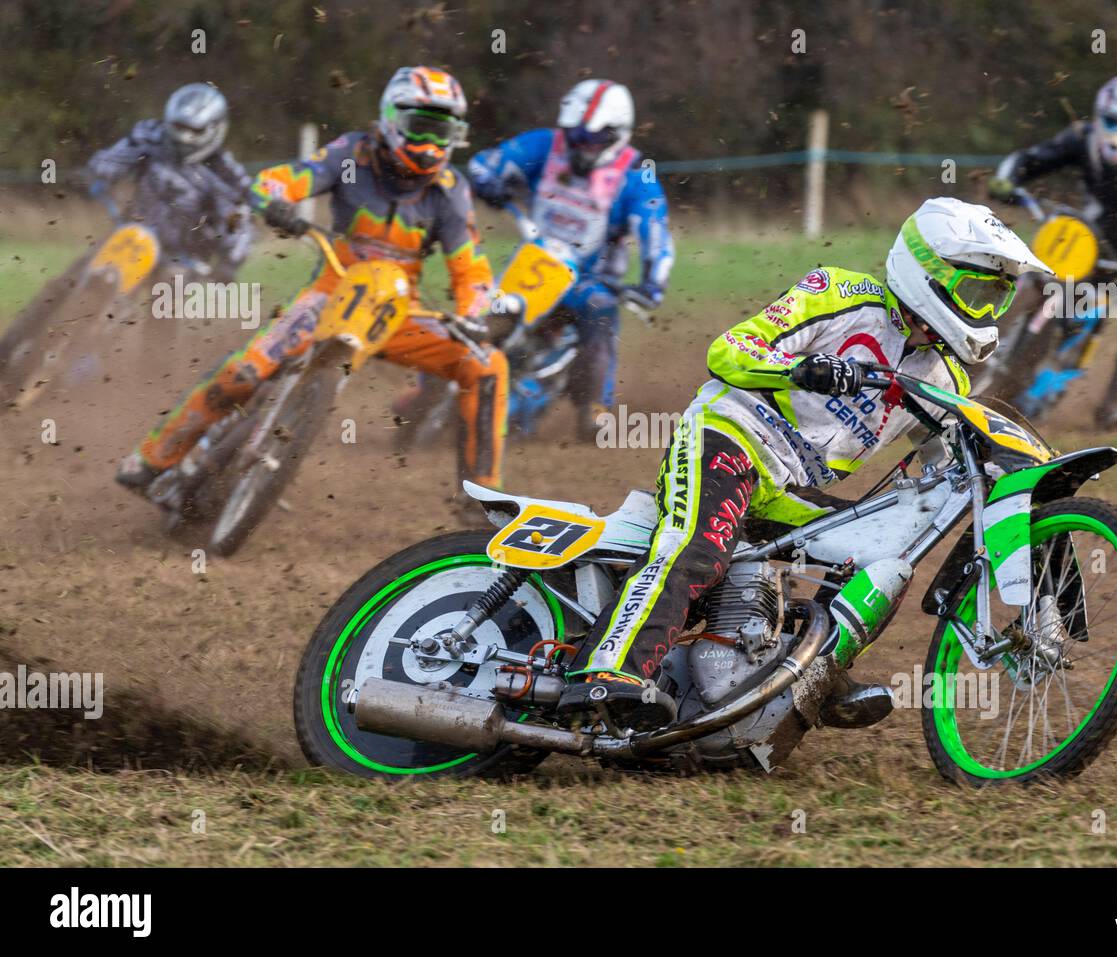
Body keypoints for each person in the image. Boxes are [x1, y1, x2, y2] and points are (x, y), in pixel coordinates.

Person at [556, 197, 1051, 727]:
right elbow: (729, 350)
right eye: (976, 293)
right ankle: (606, 669)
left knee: (883, 557)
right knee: (699, 548)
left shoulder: (946, 380)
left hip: (789, 485)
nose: (985, 311)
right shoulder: (843, 293)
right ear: (927, 271)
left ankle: (816, 673)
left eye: (995, 299)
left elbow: (942, 464)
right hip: (730, 438)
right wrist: (801, 369)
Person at [116, 66, 508, 511]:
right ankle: (153, 456)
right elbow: (283, 178)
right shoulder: (352, 153)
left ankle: (482, 500)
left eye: (445, 132)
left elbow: (471, 270)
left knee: (487, 364)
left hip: (396, 314)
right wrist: (275, 202)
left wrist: (474, 315)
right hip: (329, 294)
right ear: (393, 118)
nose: (433, 143)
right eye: (422, 127)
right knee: (244, 372)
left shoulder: (451, 191)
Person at [987, 74, 1117, 428]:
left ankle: (1116, 404)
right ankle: (978, 350)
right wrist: (1007, 181)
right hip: (1076, 245)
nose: (1116, 135)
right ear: (1098, 117)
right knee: (1026, 280)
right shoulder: (1082, 139)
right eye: (1110, 123)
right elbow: (1029, 160)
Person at [467, 79, 674, 437]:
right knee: (485, 311)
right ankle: (444, 378)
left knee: (600, 307)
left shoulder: (637, 178)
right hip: (535, 262)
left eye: (591, 139)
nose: (580, 147)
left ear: (617, 135)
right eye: (575, 136)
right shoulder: (545, 145)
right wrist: (487, 183)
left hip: (591, 281)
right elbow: (483, 164)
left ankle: (595, 406)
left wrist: (653, 282)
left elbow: (654, 232)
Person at [87, 82, 254, 281]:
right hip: (131, 236)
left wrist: (228, 265)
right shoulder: (150, 135)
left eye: (194, 130)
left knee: (167, 301)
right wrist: (100, 172)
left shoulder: (227, 174)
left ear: (215, 128)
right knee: (83, 267)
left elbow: (239, 223)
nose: (184, 137)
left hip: (183, 262)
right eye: (179, 127)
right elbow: (111, 159)